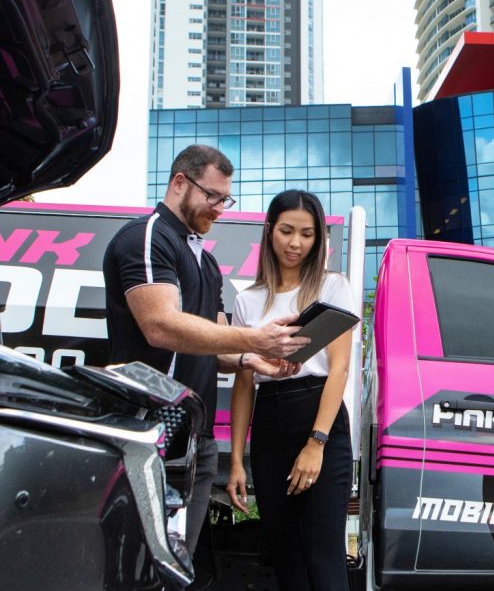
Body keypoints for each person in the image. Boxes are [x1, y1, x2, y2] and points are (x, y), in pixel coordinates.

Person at [103, 144, 309, 557]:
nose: (219, 208)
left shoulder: (208, 263)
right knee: (136, 562)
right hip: (148, 428)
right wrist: (253, 338)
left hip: (198, 438)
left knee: (178, 566)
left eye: (225, 199)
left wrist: (255, 361)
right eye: (212, 196)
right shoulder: (146, 237)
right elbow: (160, 325)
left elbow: (215, 342)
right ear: (180, 182)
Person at [226, 189, 355, 591]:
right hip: (269, 423)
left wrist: (316, 442)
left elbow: (340, 367)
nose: (295, 243)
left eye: (307, 234)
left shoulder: (332, 287)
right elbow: (244, 383)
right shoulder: (248, 300)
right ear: (269, 231)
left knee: (324, 557)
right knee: (285, 557)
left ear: (319, 240)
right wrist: (235, 460)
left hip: (320, 418)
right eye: (286, 231)